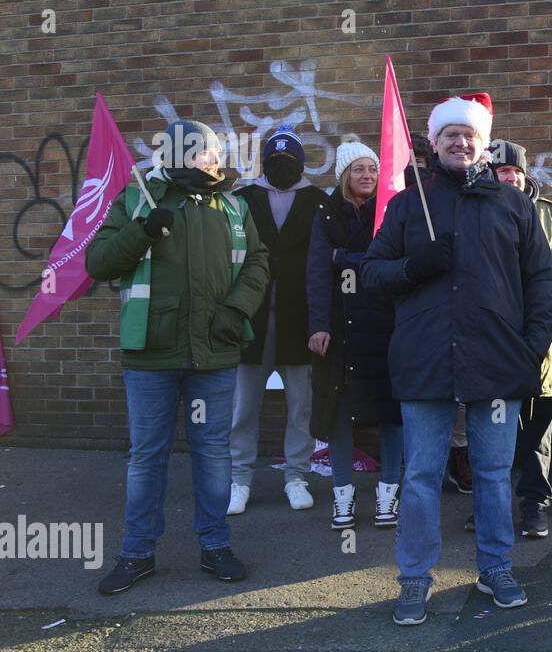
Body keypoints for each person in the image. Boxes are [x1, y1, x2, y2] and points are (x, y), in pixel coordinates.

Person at [362, 92, 552, 624]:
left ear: (483, 143)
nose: (460, 142)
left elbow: (541, 282)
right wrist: (414, 266)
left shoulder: (513, 205)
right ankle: (415, 579)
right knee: (422, 474)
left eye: (469, 135)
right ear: (435, 143)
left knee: (494, 474)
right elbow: (371, 274)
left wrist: (532, 346)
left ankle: (496, 568)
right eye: (450, 135)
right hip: (425, 363)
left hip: (497, 365)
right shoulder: (409, 205)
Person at [86, 119, 270, 594]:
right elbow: (99, 262)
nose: (209, 159)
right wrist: (142, 232)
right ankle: (137, 553)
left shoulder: (233, 204)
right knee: (148, 455)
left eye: (211, 151)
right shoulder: (137, 198)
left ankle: (215, 546)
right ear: (171, 155)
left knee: (212, 452)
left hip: (215, 350)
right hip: (152, 353)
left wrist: (236, 308)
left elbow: (257, 262)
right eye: (197, 151)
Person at [484, 139, 552, 538]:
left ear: (525, 175)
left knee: (536, 434)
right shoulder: (476, 212)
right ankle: (489, 508)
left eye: (514, 171)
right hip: (493, 342)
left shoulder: (551, 216)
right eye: (500, 171)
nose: (508, 177)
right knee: (492, 432)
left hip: (545, 342)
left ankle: (534, 506)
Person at [307, 135, 403, 530]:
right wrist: (318, 325)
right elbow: (316, 272)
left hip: (387, 327)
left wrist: (343, 257)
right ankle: (342, 498)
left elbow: (393, 261)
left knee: (391, 413)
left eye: (372, 169)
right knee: (339, 415)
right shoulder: (326, 214)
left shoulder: (390, 210)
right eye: (358, 169)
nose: (367, 175)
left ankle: (388, 496)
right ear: (344, 175)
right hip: (341, 332)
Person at [228, 125, 323, 513]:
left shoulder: (318, 200)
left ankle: (296, 475)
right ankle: (238, 479)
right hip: (251, 321)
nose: (281, 164)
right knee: (243, 405)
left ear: (300, 162)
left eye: (289, 159)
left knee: (301, 404)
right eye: (274, 158)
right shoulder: (242, 199)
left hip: (300, 319)